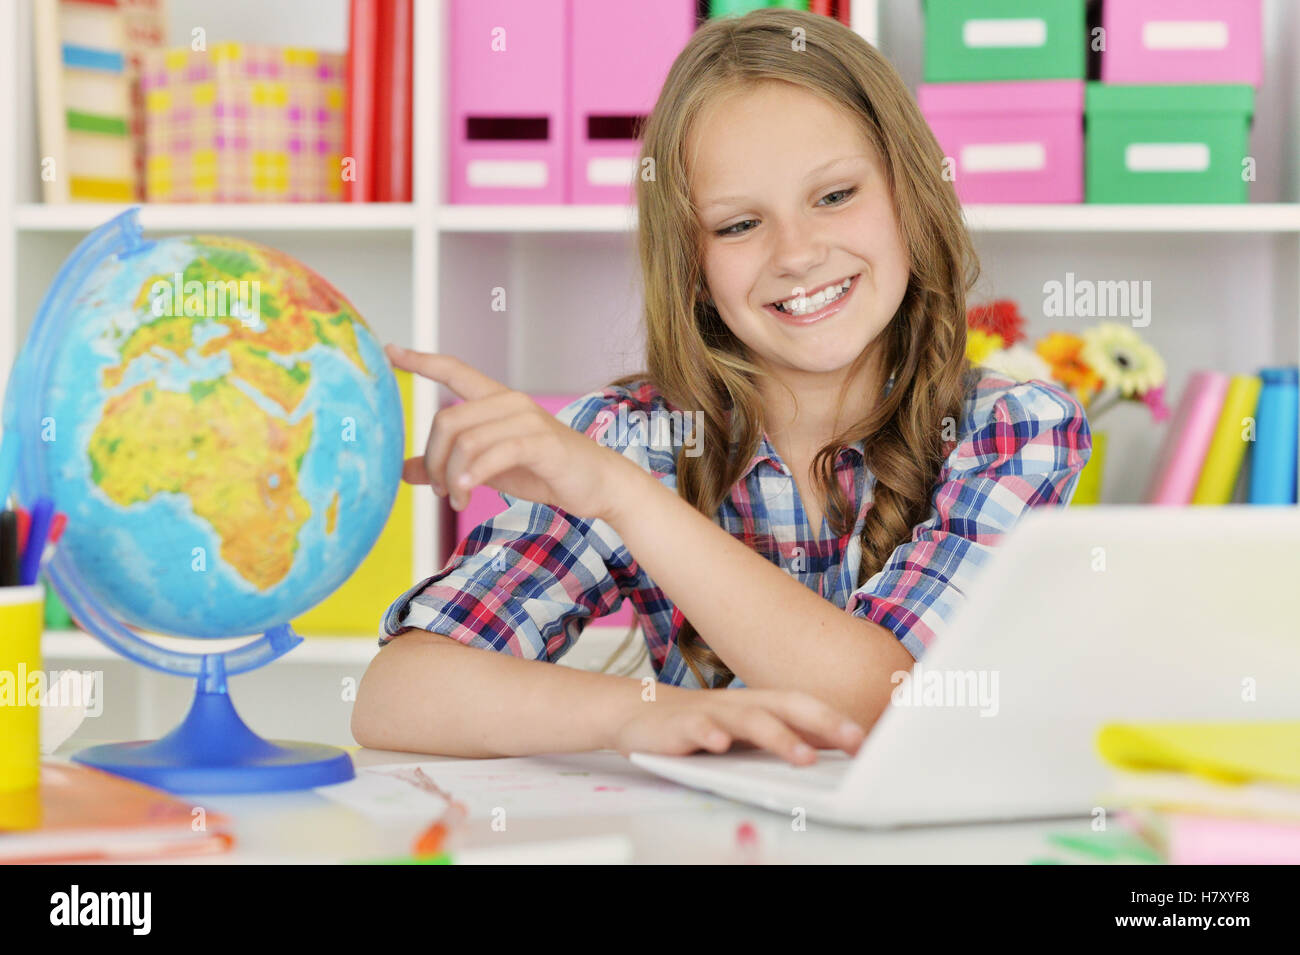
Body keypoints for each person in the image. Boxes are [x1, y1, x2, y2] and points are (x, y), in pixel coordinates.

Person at [353, 9, 1090, 766]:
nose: (798, 253)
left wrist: (624, 499)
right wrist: (642, 714)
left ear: (911, 196)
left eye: (834, 195)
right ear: (694, 273)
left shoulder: (1014, 427)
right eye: (739, 225)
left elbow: (884, 702)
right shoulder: (633, 442)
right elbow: (396, 693)